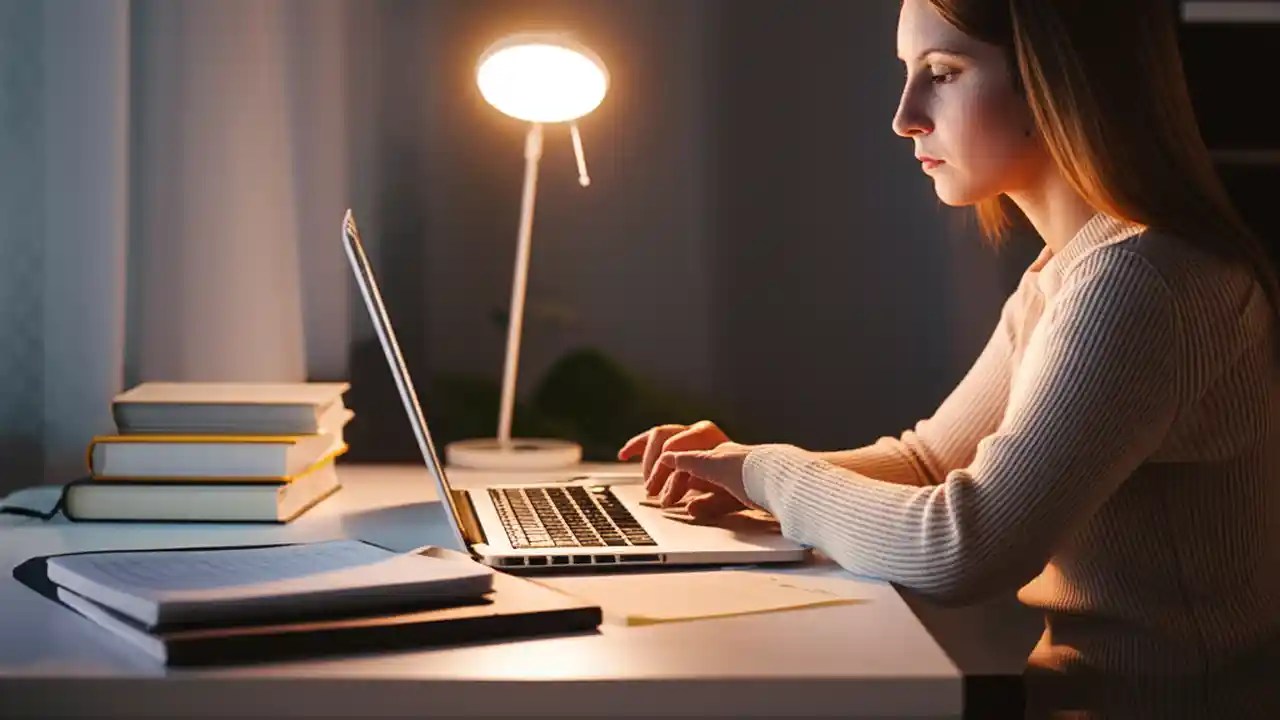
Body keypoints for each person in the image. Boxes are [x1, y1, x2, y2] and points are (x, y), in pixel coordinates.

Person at [618, 1, 1280, 717]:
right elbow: (933, 463)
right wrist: (738, 471)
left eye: (943, 73)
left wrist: (767, 474)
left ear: (1058, 82)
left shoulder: (1142, 284)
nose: (905, 116)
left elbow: (966, 547)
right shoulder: (1076, 271)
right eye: (909, 74)